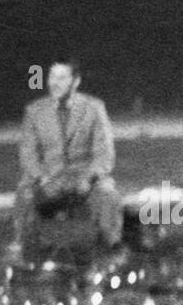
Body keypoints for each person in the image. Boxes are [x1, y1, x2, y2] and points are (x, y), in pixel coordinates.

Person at [12, 56, 122, 259]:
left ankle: (111, 247)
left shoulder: (94, 108)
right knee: (25, 195)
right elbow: (27, 153)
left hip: (84, 177)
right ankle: (22, 248)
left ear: (75, 81)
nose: (54, 83)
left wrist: (88, 178)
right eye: (52, 77)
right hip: (47, 178)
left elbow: (104, 153)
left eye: (61, 78)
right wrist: (42, 178)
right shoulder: (35, 111)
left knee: (108, 195)